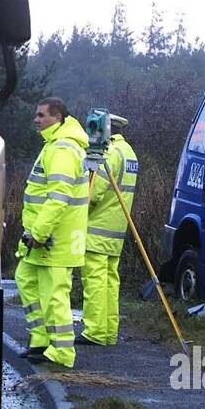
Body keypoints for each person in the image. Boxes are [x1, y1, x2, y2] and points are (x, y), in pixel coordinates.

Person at [14, 97, 89, 368]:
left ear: (57, 118)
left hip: (52, 240)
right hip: (43, 238)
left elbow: (58, 198)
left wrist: (40, 233)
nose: (36, 119)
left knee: (54, 294)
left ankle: (61, 352)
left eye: (41, 115)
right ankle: (41, 340)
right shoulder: (54, 146)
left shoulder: (62, 149)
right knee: (26, 280)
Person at [79, 114, 138, 346]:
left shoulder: (110, 154)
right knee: (110, 281)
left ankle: (94, 331)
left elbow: (94, 193)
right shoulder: (129, 152)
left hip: (97, 229)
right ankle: (108, 331)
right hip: (116, 230)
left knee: (94, 281)